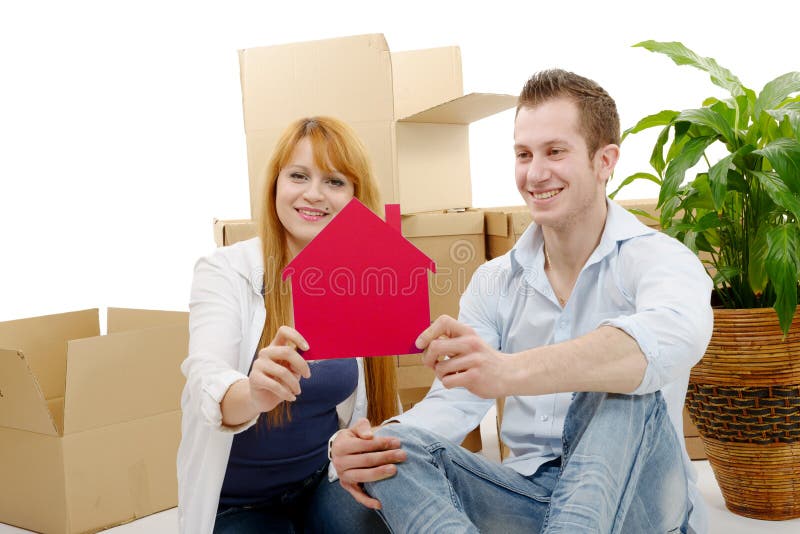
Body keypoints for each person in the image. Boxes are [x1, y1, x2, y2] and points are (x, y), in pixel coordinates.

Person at [330, 69, 714, 533]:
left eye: (555, 152)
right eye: (524, 154)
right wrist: (368, 445)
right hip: (528, 496)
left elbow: (670, 341)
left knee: (621, 378)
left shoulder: (660, 261)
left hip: (638, 502)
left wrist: (509, 371)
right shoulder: (495, 281)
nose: (535, 173)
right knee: (396, 447)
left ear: (604, 161)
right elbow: (453, 405)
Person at [177, 116, 397, 534]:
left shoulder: (363, 279)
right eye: (298, 175)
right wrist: (253, 392)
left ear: (356, 197)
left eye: (335, 181)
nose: (313, 194)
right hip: (237, 504)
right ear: (276, 184)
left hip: (323, 481)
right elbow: (206, 378)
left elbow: (375, 409)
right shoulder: (225, 271)